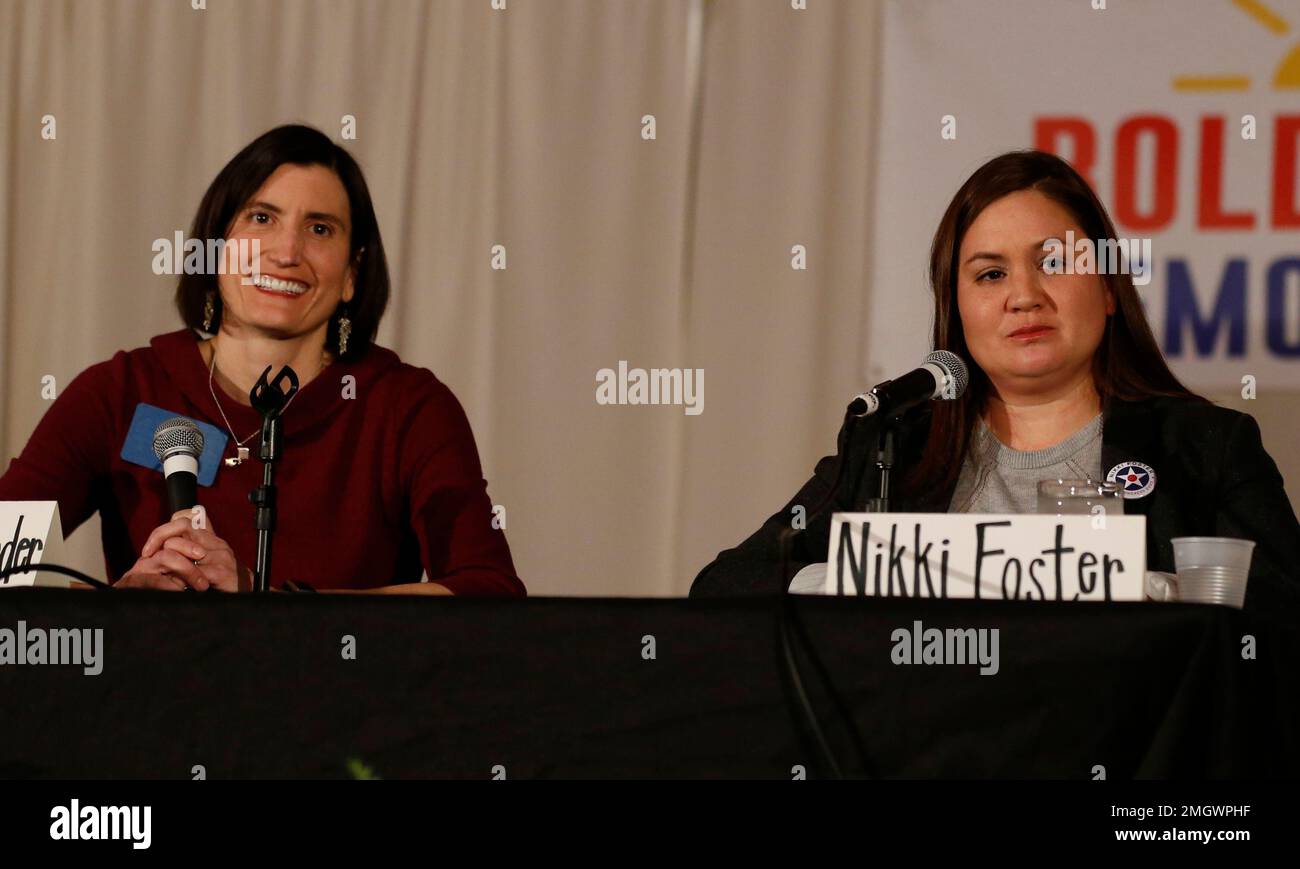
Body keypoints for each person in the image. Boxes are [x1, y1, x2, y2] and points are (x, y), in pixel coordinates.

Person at [692, 149, 1300, 612]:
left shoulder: (1206, 447)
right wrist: (838, 584)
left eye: (1054, 263)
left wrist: (1163, 597)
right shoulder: (893, 445)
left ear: (1110, 287)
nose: (1024, 297)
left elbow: (1282, 629)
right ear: (955, 309)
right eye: (989, 275)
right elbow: (724, 585)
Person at [0, 125, 523, 595]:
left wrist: (266, 601)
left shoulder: (406, 407)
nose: (286, 251)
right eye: (261, 217)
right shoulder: (121, 392)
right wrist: (119, 618)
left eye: (320, 228)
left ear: (352, 274)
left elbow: (489, 594)